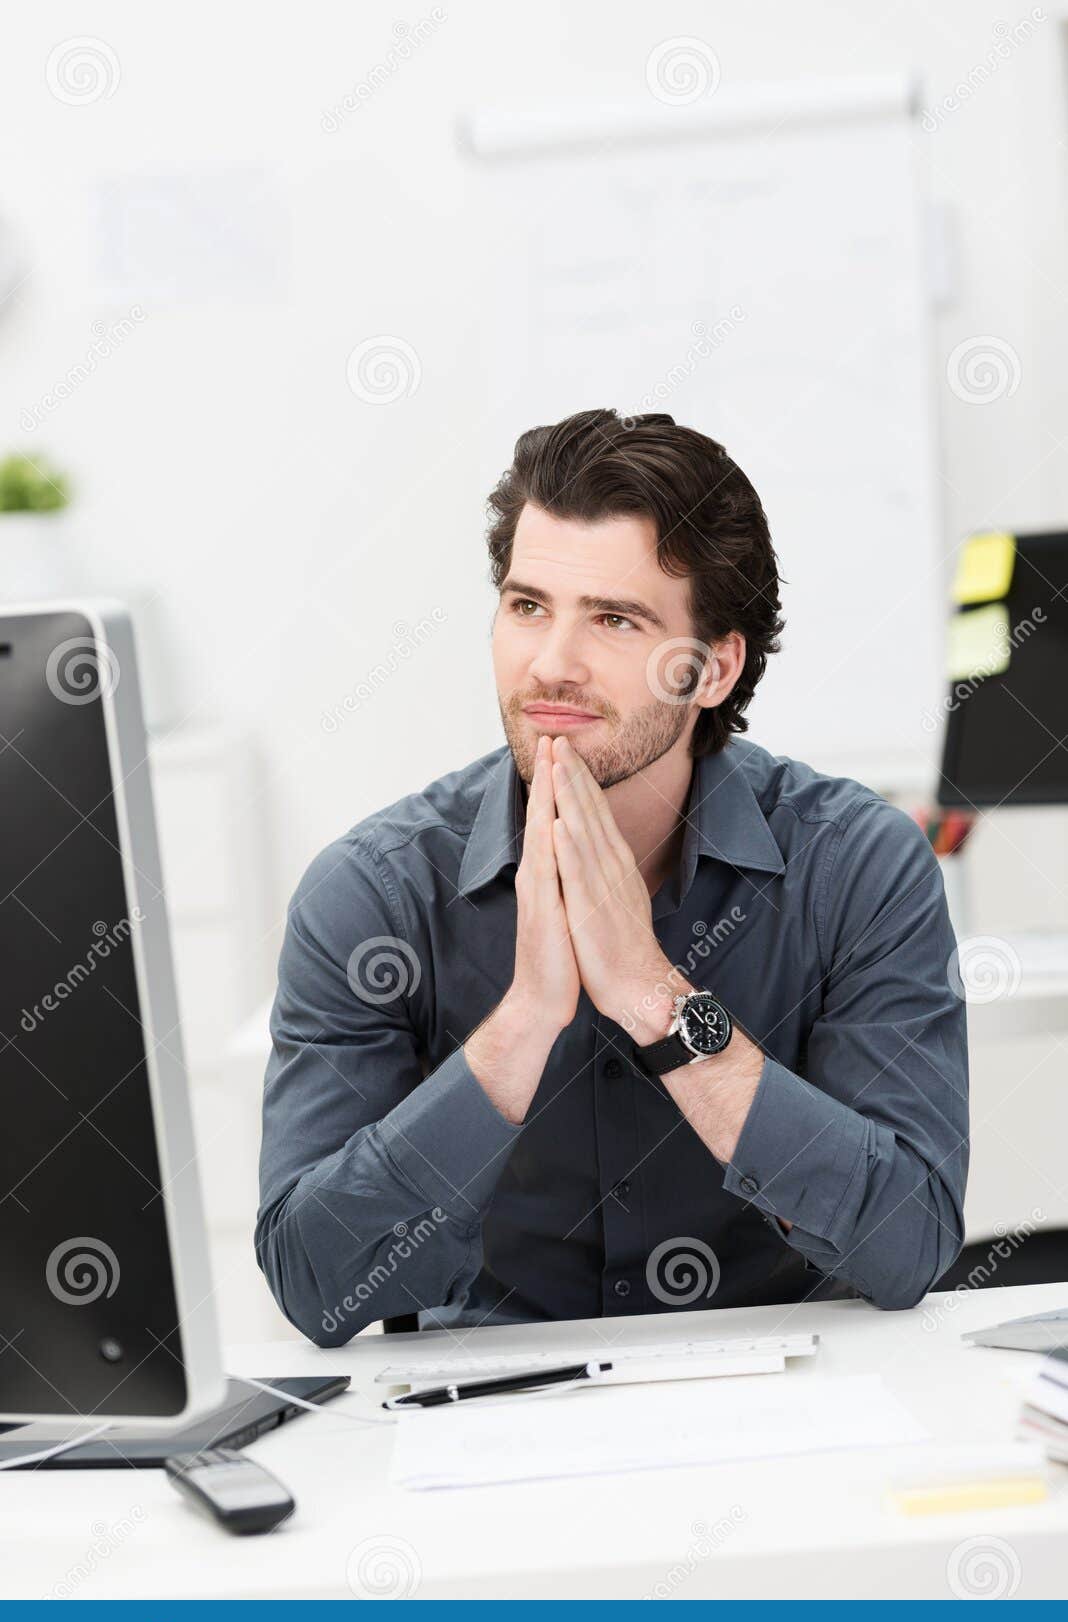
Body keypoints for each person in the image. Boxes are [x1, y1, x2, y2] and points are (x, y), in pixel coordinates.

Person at [256, 408, 968, 1345]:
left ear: (712, 668)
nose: (551, 665)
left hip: (790, 1405)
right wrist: (519, 1030)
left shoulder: (858, 865)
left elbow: (909, 1244)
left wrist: (656, 997)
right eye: (527, 606)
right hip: (485, 1415)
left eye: (616, 620)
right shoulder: (374, 892)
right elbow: (316, 1285)